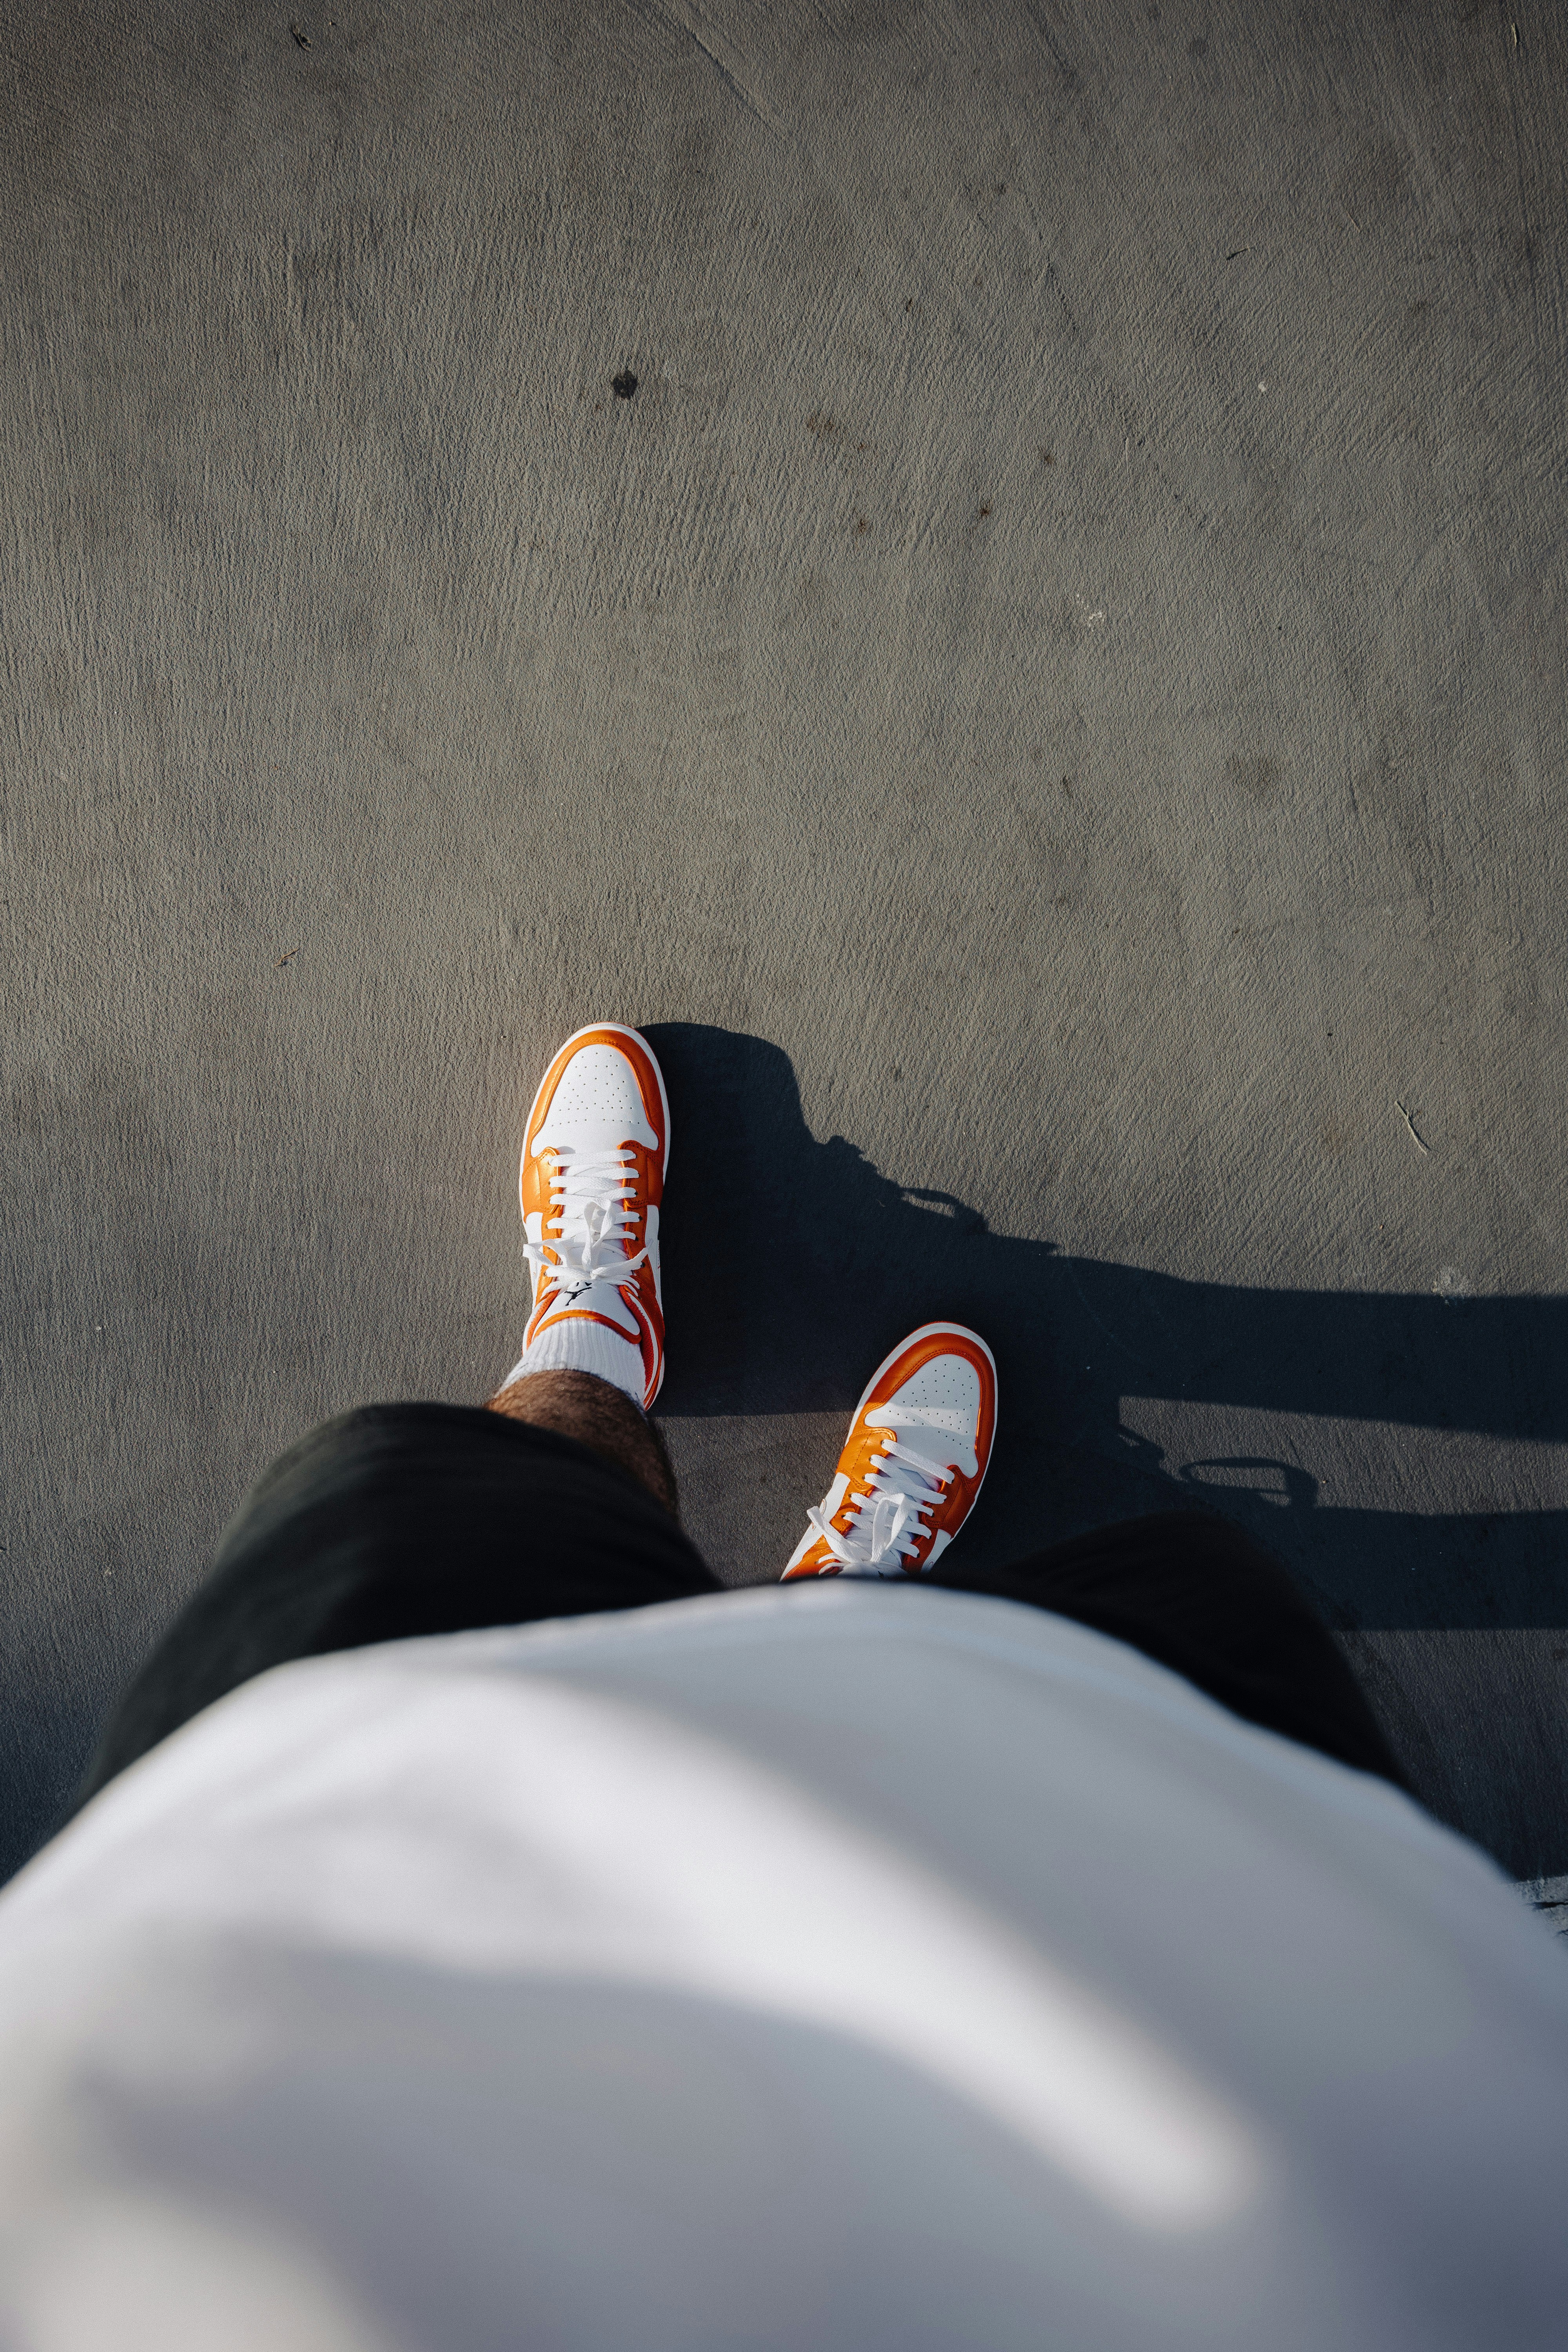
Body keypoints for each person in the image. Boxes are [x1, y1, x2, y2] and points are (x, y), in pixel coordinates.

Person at [0, 1024, 1563, 2351]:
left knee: (443, 1503)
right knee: (1126, 1677)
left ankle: (598, 1335)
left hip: (285, 1924)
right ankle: (843, 1608)